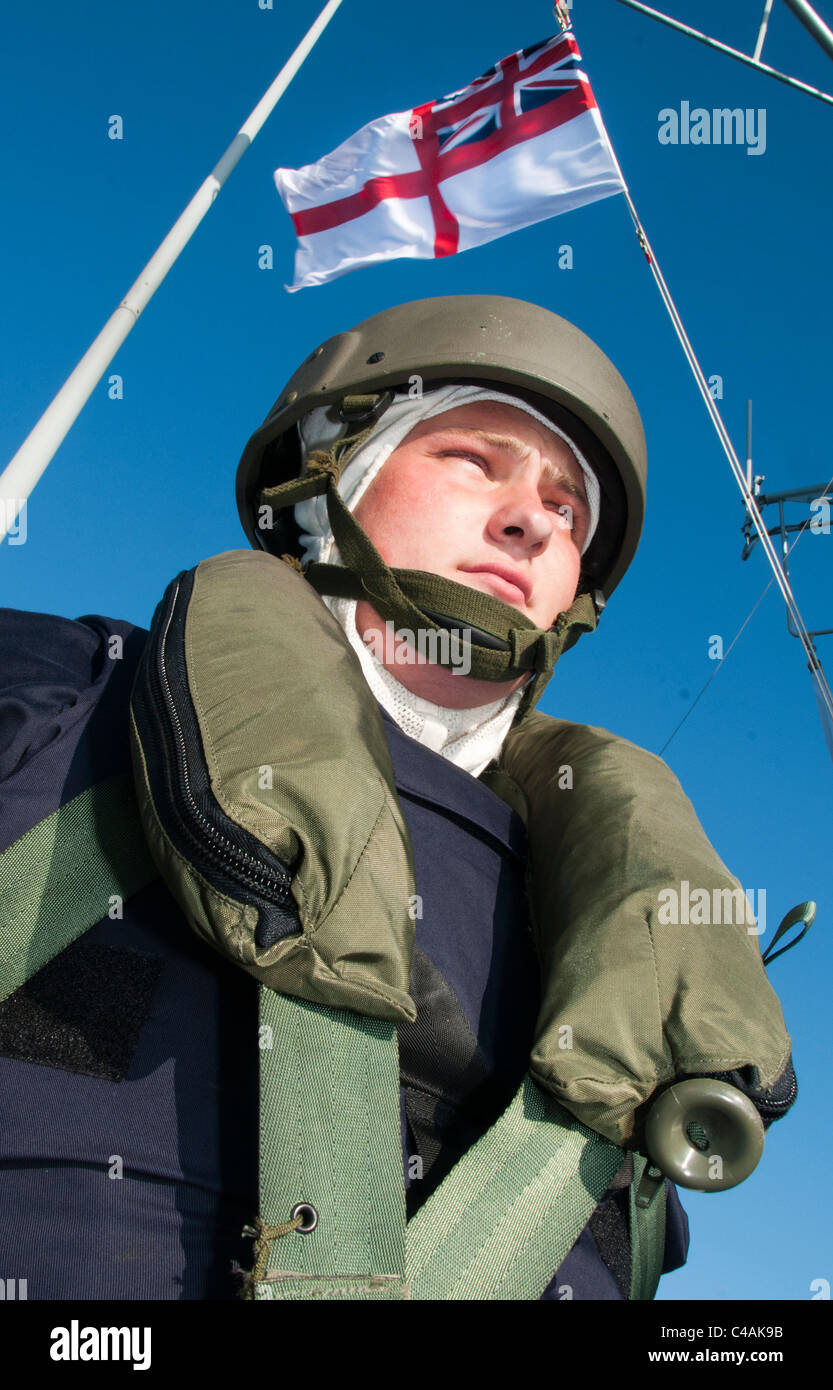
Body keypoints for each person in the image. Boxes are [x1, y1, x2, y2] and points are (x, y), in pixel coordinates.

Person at [0, 294, 796, 1301]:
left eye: (566, 512)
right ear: (328, 476)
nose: (530, 522)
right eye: (472, 458)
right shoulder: (63, 694)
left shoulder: (631, 985)